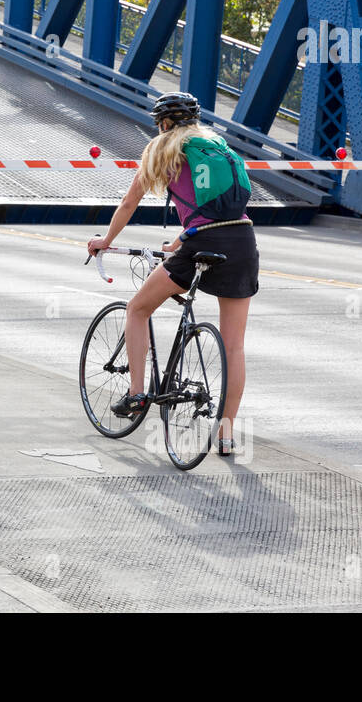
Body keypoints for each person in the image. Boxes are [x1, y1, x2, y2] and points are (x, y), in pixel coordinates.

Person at [86, 91, 258, 455]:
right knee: (234, 346)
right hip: (243, 239)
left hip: (201, 241)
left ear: (162, 123)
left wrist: (107, 239)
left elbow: (130, 201)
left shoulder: (161, 149)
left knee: (137, 309)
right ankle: (226, 436)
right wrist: (181, 238)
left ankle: (136, 394)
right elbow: (218, 210)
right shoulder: (216, 144)